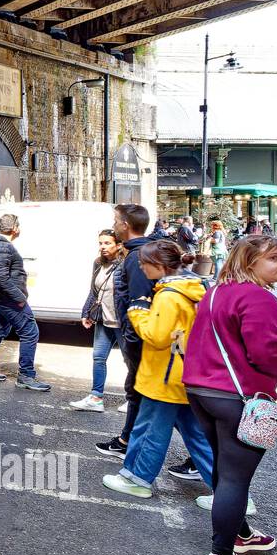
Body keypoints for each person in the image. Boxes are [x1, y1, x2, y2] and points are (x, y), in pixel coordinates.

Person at [183, 236, 277, 555]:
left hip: (202, 390)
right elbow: (266, 354)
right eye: (273, 258)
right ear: (249, 263)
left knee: (225, 469)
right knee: (235, 477)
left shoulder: (217, 291)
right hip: (239, 397)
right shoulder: (258, 298)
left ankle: (241, 533)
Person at [101, 239, 215, 500]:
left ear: (158, 265)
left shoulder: (168, 296)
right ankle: (231, 492)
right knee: (198, 437)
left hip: (163, 376)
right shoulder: (194, 288)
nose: (141, 269)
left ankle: (136, 478)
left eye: (143, 264)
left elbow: (156, 335)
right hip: (185, 373)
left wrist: (137, 312)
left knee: (149, 430)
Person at [95, 204, 164, 460]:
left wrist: (133, 341)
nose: (113, 225)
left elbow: (139, 302)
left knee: (139, 391)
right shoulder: (136, 253)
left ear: (125, 224)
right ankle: (128, 440)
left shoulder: (137, 258)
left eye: (115, 220)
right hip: (137, 337)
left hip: (137, 338)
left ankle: (128, 443)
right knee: (142, 393)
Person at [0, 214, 50, 391]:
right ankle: (26, 376)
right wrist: (19, 298)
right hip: (9, 299)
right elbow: (1, 278)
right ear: (15, 228)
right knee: (30, 331)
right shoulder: (2, 247)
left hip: (3, 297)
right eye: (19, 225)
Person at [70, 230, 125, 413]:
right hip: (103, 319)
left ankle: (134, 400)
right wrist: (86, 312)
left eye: (107, 243)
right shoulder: (98, 263)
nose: (102, 247)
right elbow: (94, 290)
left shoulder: (125, 264)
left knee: (131, 361)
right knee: (99, 358)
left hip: (122, 321)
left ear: (118, 245)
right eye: (101, 243)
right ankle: (96, 397)